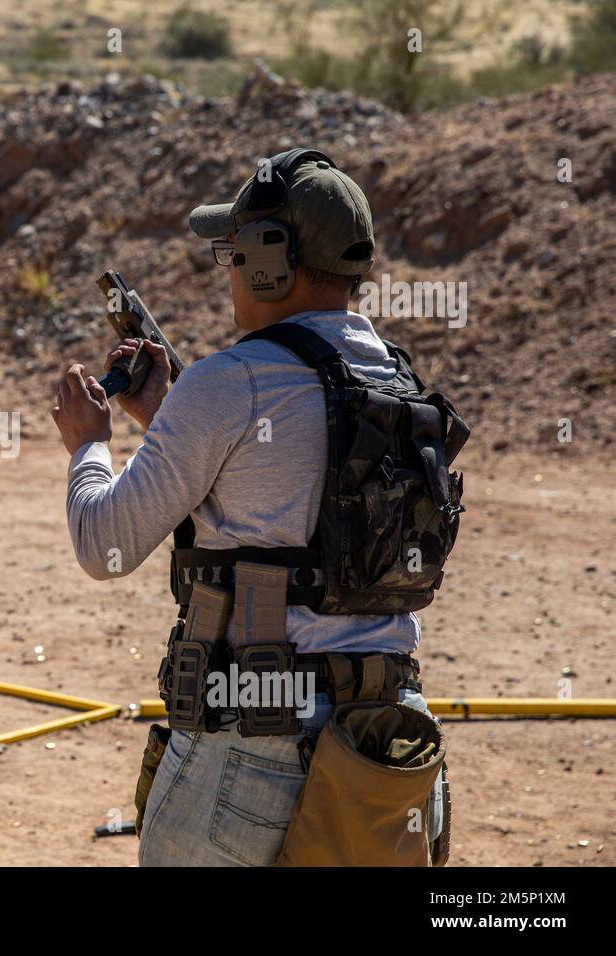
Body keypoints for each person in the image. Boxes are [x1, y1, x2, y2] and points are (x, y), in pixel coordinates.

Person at [50, 148, 449, 866]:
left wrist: (89, 444)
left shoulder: (228, 383)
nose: (227, 266)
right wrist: (172, 418)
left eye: (232, 249)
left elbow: (103, 544)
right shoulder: (397, 380)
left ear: (271, 258)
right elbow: (297, 493)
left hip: (254, 754)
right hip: (386, 745)